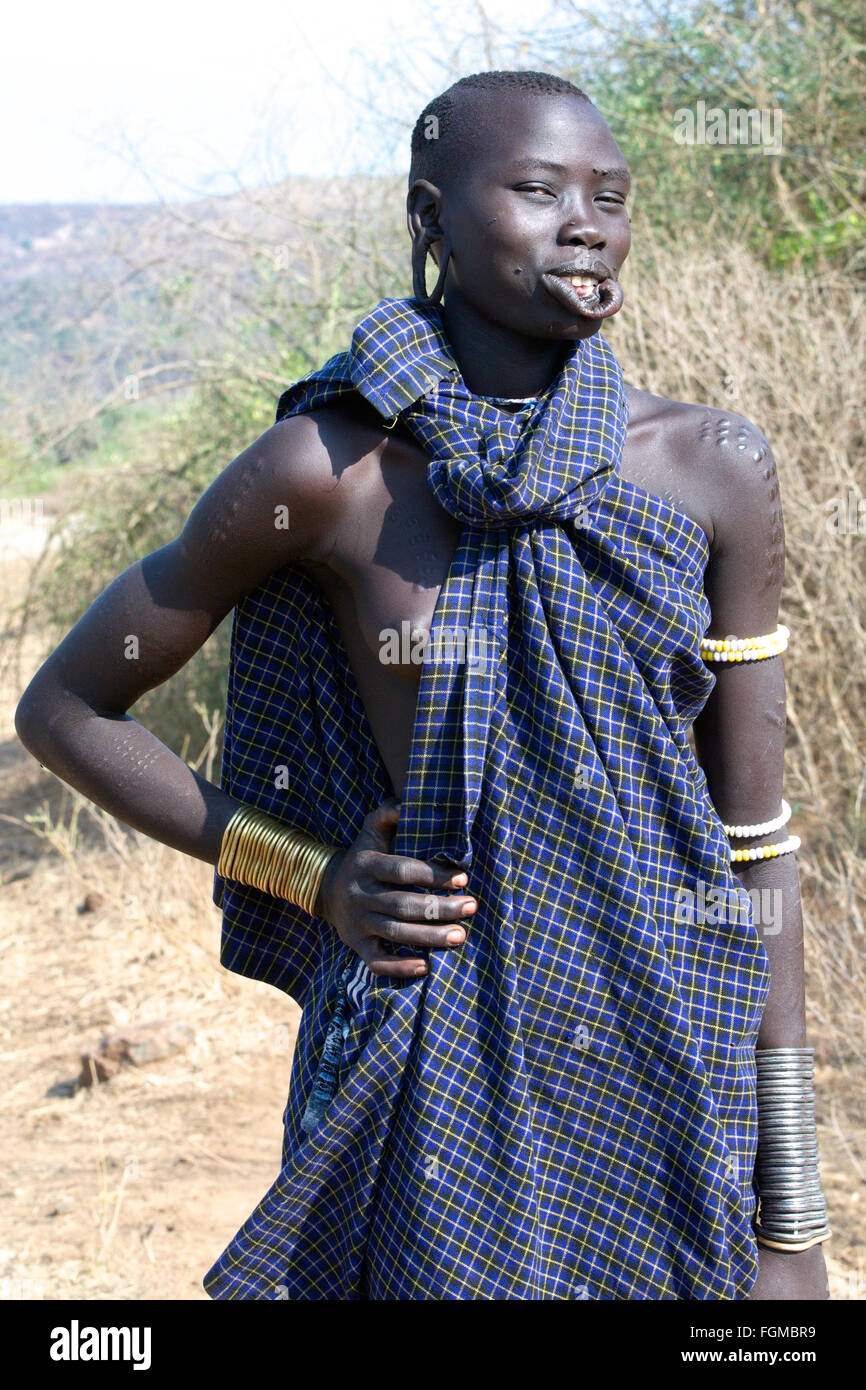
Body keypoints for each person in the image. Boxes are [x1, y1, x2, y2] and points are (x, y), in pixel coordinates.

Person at [14, 69, 830, 1300]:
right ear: (428, 216)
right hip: (428, 1093)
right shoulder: (327, 470)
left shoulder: (707, 471)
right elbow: (67, 710)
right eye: (538, 189)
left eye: (609, 195)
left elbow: (753, 847)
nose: (586, 222)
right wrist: (313, 874)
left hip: (662, 1079)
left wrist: (793, 1222)